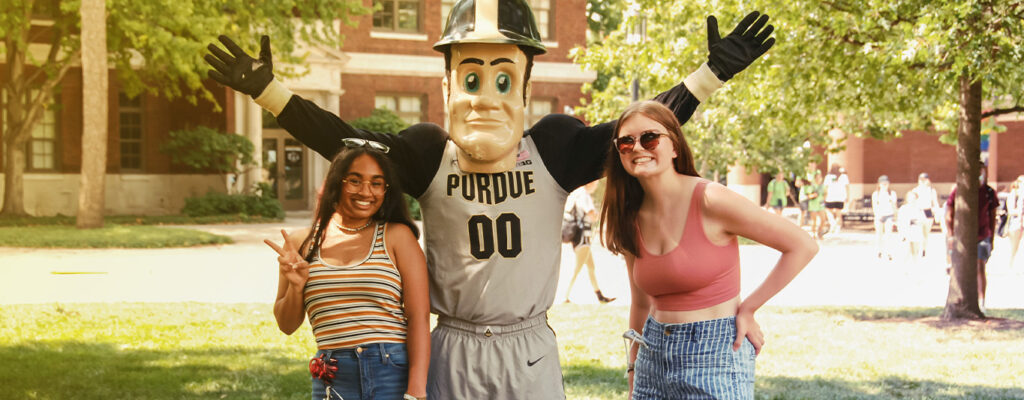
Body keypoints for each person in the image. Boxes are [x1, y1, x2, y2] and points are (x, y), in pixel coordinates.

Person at [205, 2, 776, 398]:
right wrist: (271, 92)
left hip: (526, 345)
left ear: (525, 84)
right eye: (470, 78)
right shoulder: (430, 153)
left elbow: (638, 127)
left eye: (502, 80)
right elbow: (346, 140)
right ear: (449, 83)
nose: (484, 96)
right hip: (452, 342)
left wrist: (707, 77)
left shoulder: (551, 148)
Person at [602, 101, 817, 399]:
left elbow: (801, 245)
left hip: (714, 355)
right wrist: (633, 368)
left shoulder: (711, 199)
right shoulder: (629, 216)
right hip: (652, 359)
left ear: (674, 146)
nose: (638, 147)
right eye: (626, 142)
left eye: (649, 138)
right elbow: (641, 303)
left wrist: (749, 308)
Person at [264, 140, 430, 400]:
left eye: (377, 183)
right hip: (333, 374)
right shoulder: (301, 243)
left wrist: (416, 390)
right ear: (337, 183)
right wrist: (297, 286)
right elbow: (286, 325)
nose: (366, 192)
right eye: (355, 180)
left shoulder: (397, 237)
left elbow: (419, 317)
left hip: (391, 371)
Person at [945, 162, 999, 312]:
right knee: (961, 268)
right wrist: (951, 236)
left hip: (983, 235)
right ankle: (960, 299)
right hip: (964, 236)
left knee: (980, 265)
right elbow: (949, 213)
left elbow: (993, 216)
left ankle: (982, 301)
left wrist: (991, 237)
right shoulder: (959, 191)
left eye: (982, 171)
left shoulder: (988, 192)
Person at [563, 180, 615, 304]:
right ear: (590, 184)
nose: (596, 186)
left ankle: (600, 296)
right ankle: (564, 296)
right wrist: (602, 215)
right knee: (577, 268)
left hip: (581, 237)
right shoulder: (584, 195)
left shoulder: (577, 194)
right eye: (595, 183)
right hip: (582, 238)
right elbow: (592, 215)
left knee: (591, 266)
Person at [911, 172, 942, 256]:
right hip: (919, 212)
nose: (923, 181)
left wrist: (937, 213)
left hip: (928, 212)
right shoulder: (915, 190)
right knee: (918, 232)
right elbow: (912, 202)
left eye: (924, 180)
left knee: (926, 233)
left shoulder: (931, 190)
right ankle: (917, 249)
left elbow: (935, 202)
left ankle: (924, 250)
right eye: (921, 180)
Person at [871, 175, 898, 260]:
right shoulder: (876, 194)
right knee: (879, 235)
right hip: (879, 216)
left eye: (886, 183)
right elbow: (874, 206)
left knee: (888, 235)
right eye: (882, 183)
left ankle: (889, 252)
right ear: (879, 184)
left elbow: (894, 206)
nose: (884, 185)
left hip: (889, 215)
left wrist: (895, 216)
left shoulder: (892, 193)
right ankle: (879, 251)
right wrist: (877, 215)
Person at [897, 191, 926, 262]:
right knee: (906, 250)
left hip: (916, 230)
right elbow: (900, 221)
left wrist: (918, 222)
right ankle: (904, 267)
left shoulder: (919, 209)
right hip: (906, 231)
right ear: (907, 199)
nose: (912, 200)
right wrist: (902, 233)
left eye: (914, 198)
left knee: (915, 251)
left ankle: (914, 266)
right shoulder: (903, 208)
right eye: (911, 198)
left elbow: (923, 220)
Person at [823, 165, 849, 234]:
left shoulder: (828, 177)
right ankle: (837, 228)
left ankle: (832, 223)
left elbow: (825, 187)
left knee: (829, 212)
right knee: (838, 214)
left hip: (830, 197)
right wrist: (847, 196)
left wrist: (824, 197)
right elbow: (847, 187)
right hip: (840, 197)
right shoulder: (844, 176)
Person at [1006, 176, 1024, 268]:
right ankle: (1011, 265)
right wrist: (1020, 211)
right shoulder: (1014, 195)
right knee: (1014, 247)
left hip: (1021, 223)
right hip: (1016, 223)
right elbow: (1011, 211)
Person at [803, 173, 827, 239]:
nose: (818, 179)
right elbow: (808, 196)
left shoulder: (823, 186)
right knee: (814, 220)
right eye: (817, 178)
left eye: (820, 177)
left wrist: (824, 199)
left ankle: (819, 232)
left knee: (823, 219)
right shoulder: (812, 186)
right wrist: (813, 195)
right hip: (813, 205)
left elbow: (825, 193)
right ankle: (813, 234)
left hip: (820, 204)